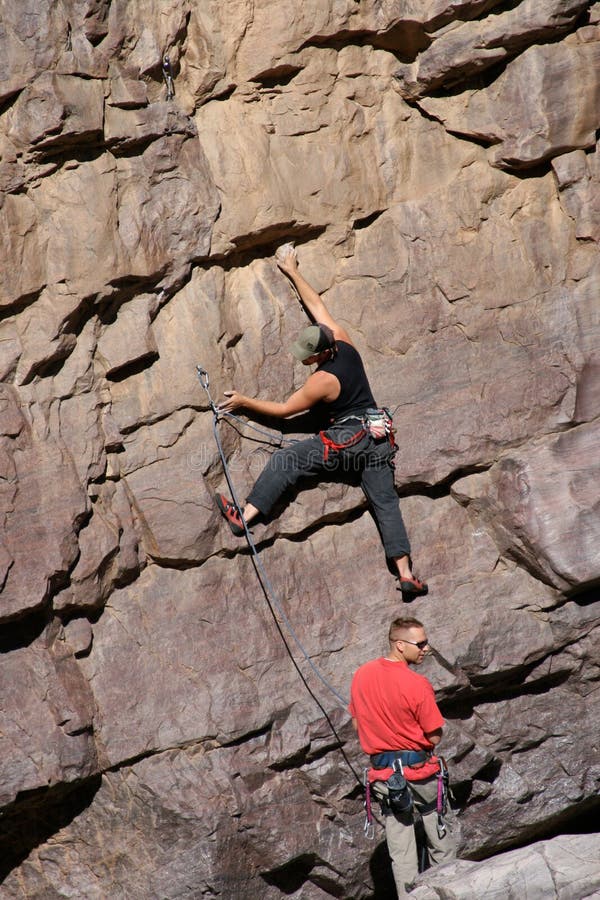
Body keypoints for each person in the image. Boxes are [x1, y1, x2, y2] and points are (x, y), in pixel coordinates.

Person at [215, 245, 427, 596]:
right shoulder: (343, 341)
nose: (305, 359)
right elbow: (317, 307)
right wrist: (292, 270)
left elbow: (285, 410)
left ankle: (245, 517)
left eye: (307, 355)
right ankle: (405, 572)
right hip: (377, 437)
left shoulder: (323, 380)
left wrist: (243, 401)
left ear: (321, 354)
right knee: (385, 501)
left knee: (289, 459)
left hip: (349, 439)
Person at [349, 616, 456, 896]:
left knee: (402, 850)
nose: (426, 648)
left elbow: (357, 724)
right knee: (441, 840)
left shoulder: (362, 675)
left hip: (385, 778)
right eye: (420, 643)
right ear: (399, 645)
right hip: (420, 775)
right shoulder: (416, 683)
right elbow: (434, 736)